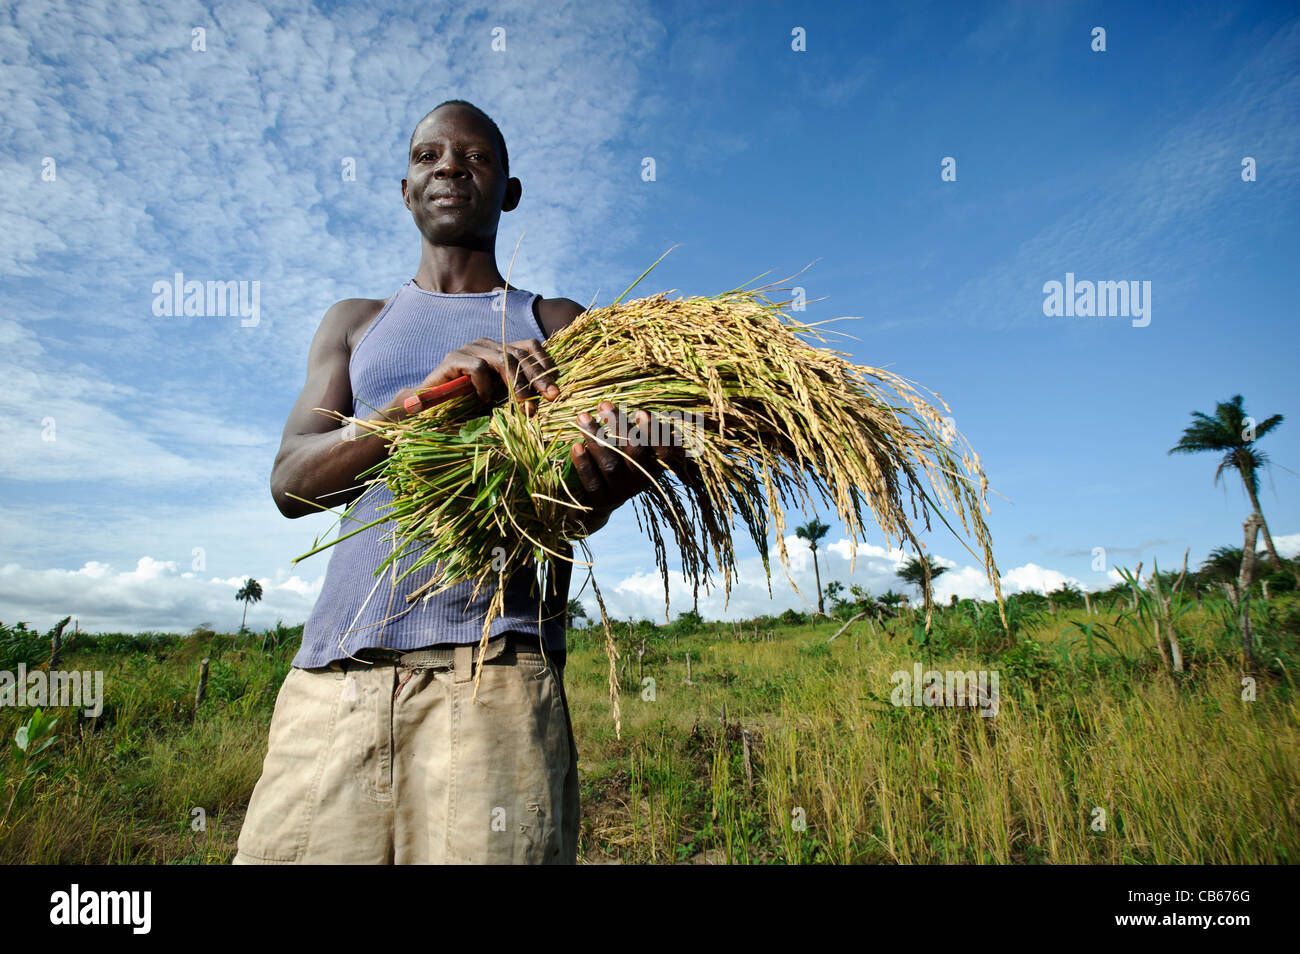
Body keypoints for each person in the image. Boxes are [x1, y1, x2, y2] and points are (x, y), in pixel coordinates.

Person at [234, 99, 677, 864]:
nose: (449, 166)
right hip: (336, 672)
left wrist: (609, 477)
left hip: (494, 672)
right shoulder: (355, 322)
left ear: (507, 190)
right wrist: (425, 404)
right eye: (428, 155)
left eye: (474, 157)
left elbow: (607, 470)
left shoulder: (556, 321)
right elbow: (291, 483)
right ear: (405, 188)